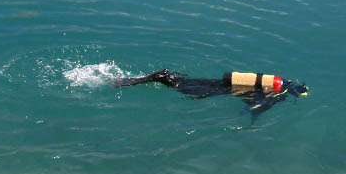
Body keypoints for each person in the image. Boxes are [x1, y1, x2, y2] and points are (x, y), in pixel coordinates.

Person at [111, 69, 308, 117]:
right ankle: (133, 82)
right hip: (215, 89)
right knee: (174, 83)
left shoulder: (272, 87)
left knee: (181, 80)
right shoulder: (269, 95)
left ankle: (155, 77)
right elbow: (255, 107)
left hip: (215, 84)